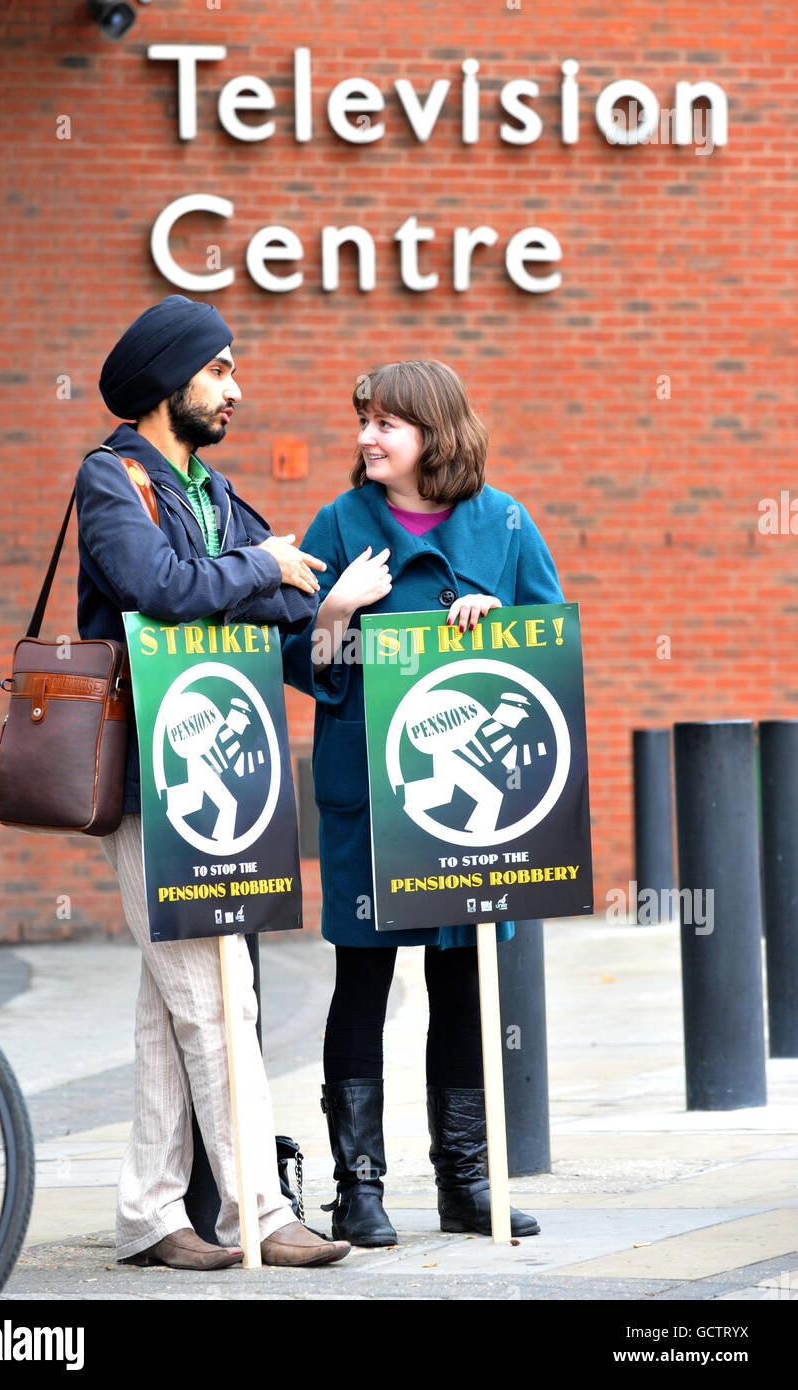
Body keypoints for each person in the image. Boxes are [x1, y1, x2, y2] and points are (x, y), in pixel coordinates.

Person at [75, 293, 349, 1270]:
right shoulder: (113, 480)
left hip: (217, 769)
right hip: (153, 776)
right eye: (220, 367)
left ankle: (150, 1212)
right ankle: (258, 1212)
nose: (237, 387)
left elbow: (285, 594)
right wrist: (254, 567)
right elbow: (155, 585)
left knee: (171, 1006)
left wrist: (302, 594)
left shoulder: (214, 491)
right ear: (166, 382)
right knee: (218, 995)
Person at [282, 359, 564, 1246]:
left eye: (385, 424)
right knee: (360, 983)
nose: (366, 437)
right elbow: (292, 659)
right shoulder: (337, 521)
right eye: (363, 420)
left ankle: (467, 1184)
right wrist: (332, 611)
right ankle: (357, 1189)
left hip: (465, 810)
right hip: (372, 798)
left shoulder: (504, 521)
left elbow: (548, 642)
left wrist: (500, 621)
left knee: (462, 984)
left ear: (432, 435)